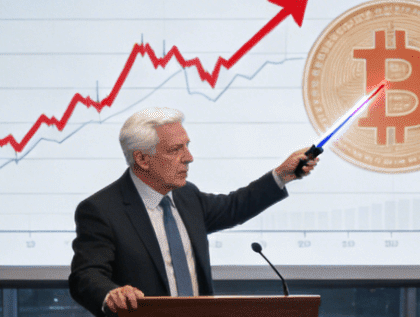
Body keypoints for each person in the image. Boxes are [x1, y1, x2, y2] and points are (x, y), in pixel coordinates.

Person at [68, 107, 316, 317]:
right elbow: (86, 275)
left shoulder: (188, 196)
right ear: (142, 159)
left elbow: (234, 207)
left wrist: (282, 175)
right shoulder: (102, 210)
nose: (189, 158)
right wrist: (110, 293)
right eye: (175, 150)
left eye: (187, 146)